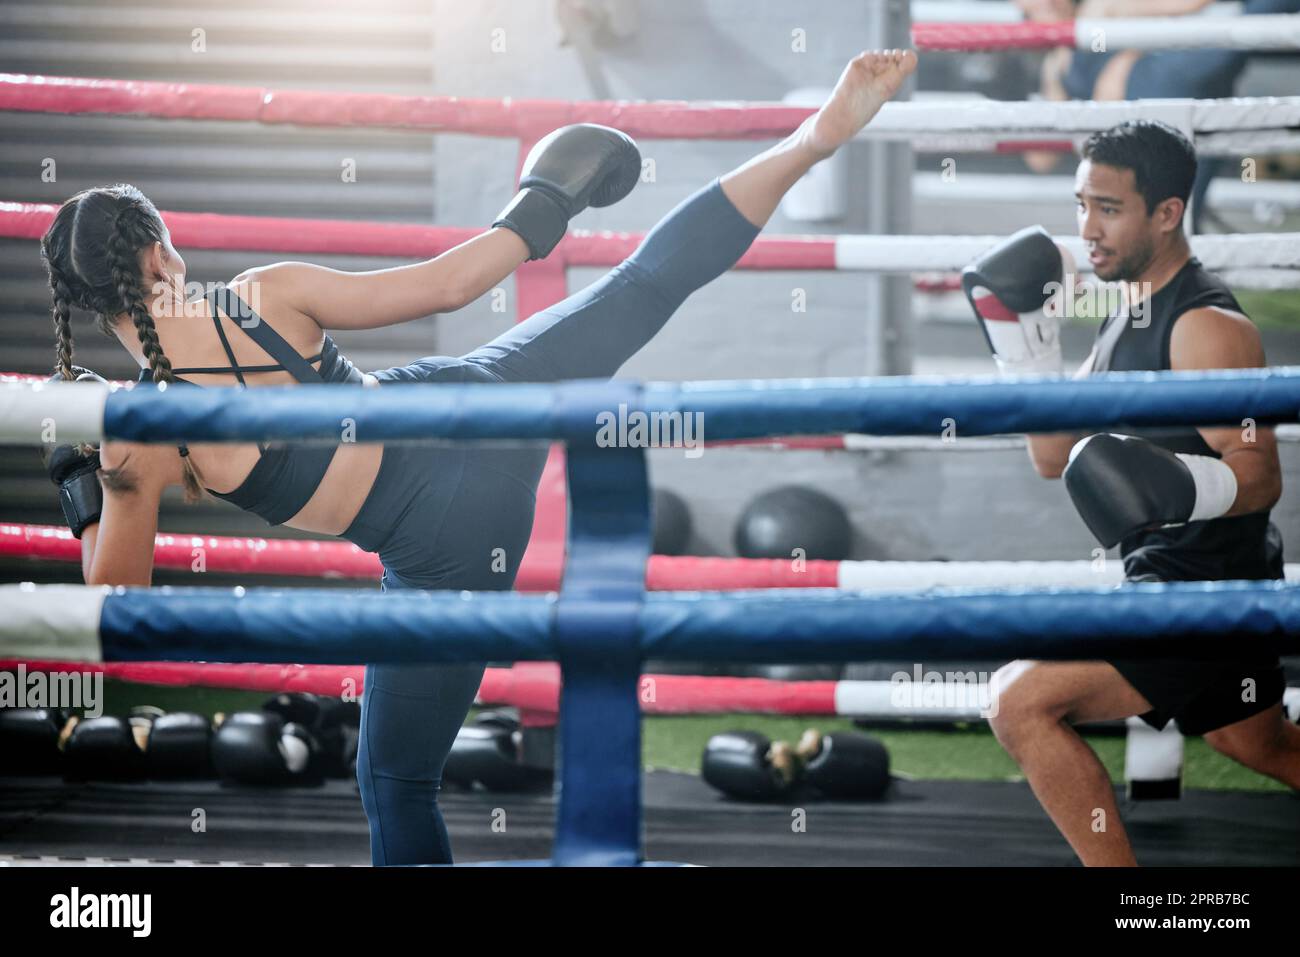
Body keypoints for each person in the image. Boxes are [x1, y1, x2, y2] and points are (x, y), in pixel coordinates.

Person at [38, 49, 918, 865]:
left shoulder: (135, 432)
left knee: (394, 782)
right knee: (645, 286)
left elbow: (119, 612)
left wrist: (85, 486)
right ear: (162, 250)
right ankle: (814, 138)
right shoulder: (265, 294)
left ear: (82, 304)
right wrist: (546, 202)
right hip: (478, 402)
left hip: (447, 551)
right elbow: (459, 280)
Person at [963, 119, 1300, 866]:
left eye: (1109, 208)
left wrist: (1179, 487)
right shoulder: (1127, 311)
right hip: (1181, 584)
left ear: (1167, 213)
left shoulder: (1202, 325)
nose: (1087, 229)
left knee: (1020, 702)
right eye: (1081, 204)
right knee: (1258, 739)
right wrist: (1028, 350)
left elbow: (1261, 473)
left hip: (1200, 595)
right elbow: (1055, 455)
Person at [1017, 0, 1300, 231]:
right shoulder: (1053, 66)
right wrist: (1094, 122)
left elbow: (1182, 6)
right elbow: (1041, 158)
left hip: (1162, 85)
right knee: (1181, 218)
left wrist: (1129, 55)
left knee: (1241, 34)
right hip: (1153, 133)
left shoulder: (1098, 8)